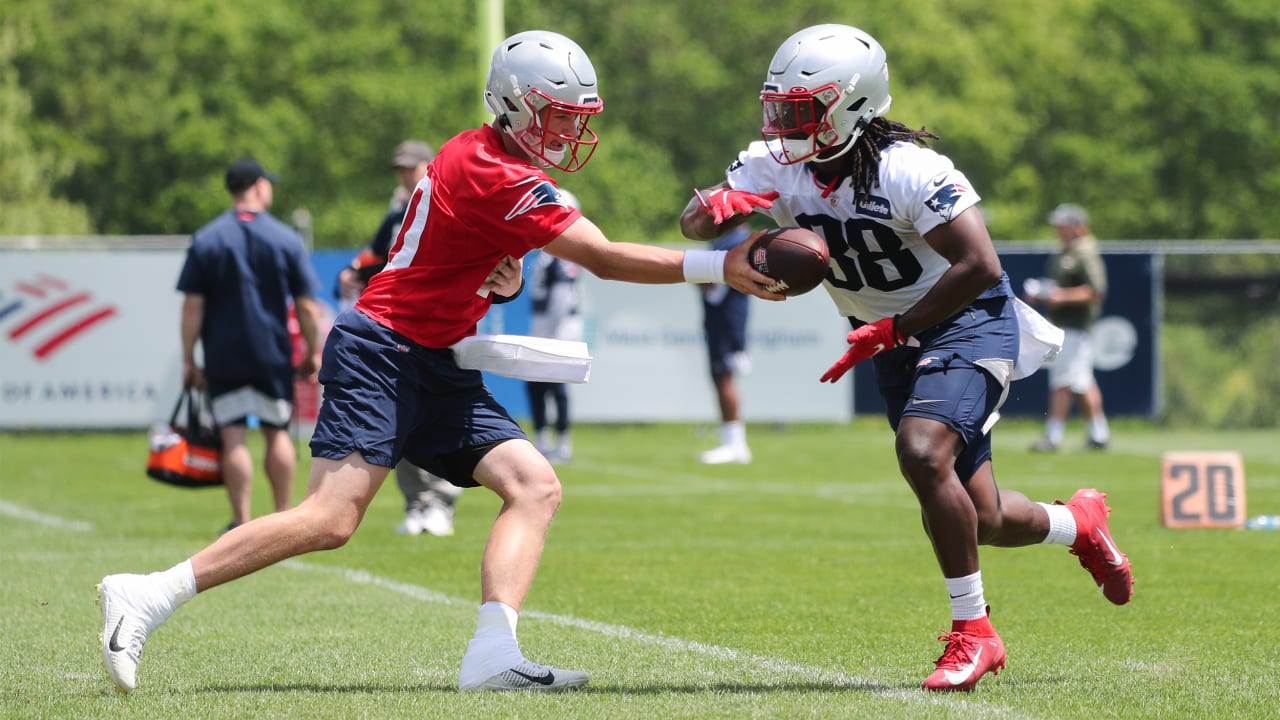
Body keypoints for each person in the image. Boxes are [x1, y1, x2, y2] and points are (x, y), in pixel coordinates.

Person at [98, 29, 783, 695]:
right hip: (384, 351)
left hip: (434, 358)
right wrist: (720, 265)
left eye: (576, 118)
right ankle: (148, 594)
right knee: (331, 519)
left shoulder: (478, 154)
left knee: (533, 486)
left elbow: (464, 258)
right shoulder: (493, 170)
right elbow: (602, 258)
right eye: (558, 115)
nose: (570, 132)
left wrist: (500, 278)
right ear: (515, 105)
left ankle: (494, 654)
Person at [680, 24, 1134, 692]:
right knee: (983, 517)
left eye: (801, 112)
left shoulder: (909, 170)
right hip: (888, 335)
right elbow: (693, 224)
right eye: (779, 109)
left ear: (850, 106)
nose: (783, 127)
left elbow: (979, 265)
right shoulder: (774, 164)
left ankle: (975, 633)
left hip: (966, 320)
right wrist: (717, 207)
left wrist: (897, 328)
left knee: (922, 453)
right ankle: (1079, 524)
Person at [177, 156, 323, 534]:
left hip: (223, 351)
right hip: (271, 351)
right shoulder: (285, 238)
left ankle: (241, 522)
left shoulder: (208, 238)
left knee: (233, 434)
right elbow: (307, 305)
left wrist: (188, 358)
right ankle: (283, 518)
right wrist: (313, 351)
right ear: (259, 186)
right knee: (277, 431)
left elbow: (192, 305)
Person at [339, 139, 463, 537]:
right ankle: (417, 503)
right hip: (398, 331)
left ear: (429, 165)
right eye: (401, 169)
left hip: (439, 328)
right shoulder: (397, 214)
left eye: (412, 167)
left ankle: (442, 502)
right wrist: (352, 271)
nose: (406, 175)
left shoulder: (450, 207)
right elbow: (375, 257)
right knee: (401, 421)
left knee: (441, 417)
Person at [1027, 203, 1111, 452]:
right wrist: (1044, 293)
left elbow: (1096, 291)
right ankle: (1099, 433)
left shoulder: (1084, 252)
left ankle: (1053, 436)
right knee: (1081, 382)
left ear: (1077, 226)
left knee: (1063, 381)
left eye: (1063, 225)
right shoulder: (1066, 251)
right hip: (1064, 324)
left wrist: (1060, 296)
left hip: (1075, 325)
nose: (1058, 229)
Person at [524, 188, 585, 465]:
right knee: (537, 386)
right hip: (548, 325)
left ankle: (560, 442)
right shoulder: (552, 253)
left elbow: (561, 297)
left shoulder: (562, 254)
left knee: (555, 386)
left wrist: (548, 335)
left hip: (556, 328)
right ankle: (546, 440)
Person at [696, 224, 753, 464]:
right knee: (720, 378)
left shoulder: (735, 242)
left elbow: (712, 286)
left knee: (724, 377)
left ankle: (735, 444)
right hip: (722, 320)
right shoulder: (727, 240)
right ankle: (732, 441)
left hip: (727, 321)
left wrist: (695, 274)